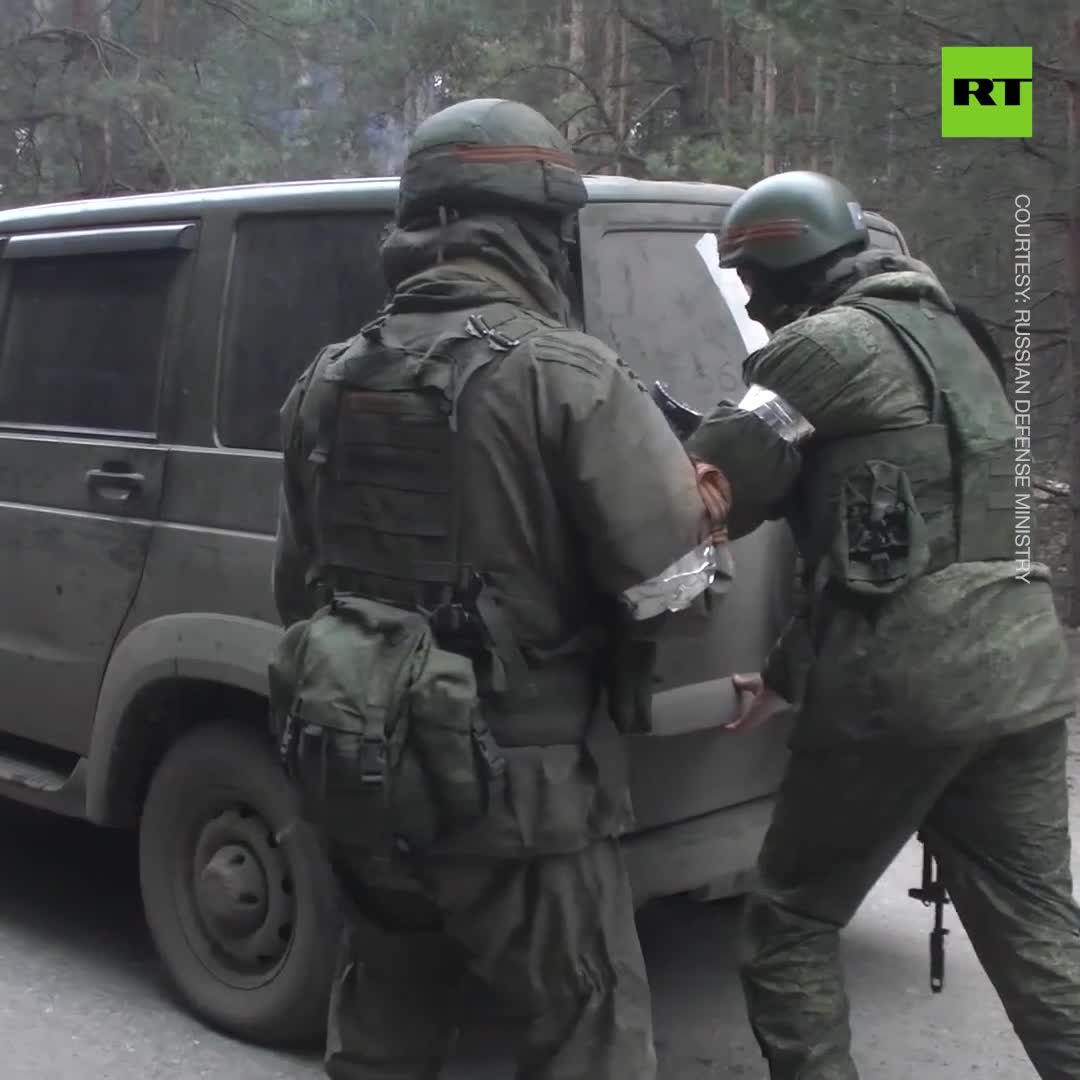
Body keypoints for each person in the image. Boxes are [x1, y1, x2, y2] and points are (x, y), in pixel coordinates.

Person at [271, 97, 733, 1080]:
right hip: (522, 806)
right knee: (588, 1036)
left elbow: (295, 592)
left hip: (364, 776)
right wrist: (701, 516)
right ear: (539, 229)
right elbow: (675, 592)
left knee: (384, 1027)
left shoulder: (323, 381)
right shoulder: (572, 377)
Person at [680, 169, 1080, 1079]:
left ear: (786, 270)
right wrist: (784, 675)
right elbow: (893, 539)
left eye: (751, 279)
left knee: (789, 922)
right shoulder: (958, 336)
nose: (749, 300)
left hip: (904, 688)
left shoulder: (820, 350)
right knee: (1040, 934)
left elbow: (707, 491)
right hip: (1022, 673)